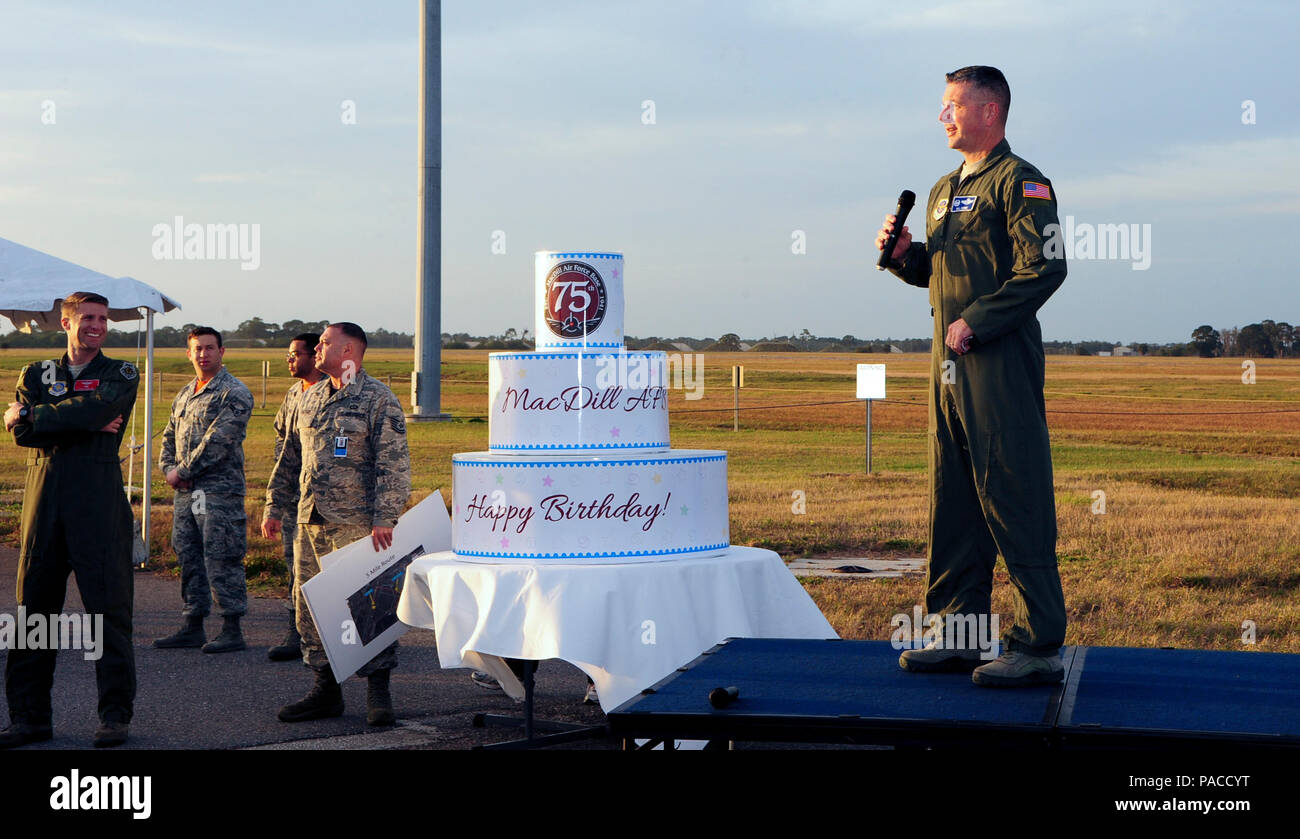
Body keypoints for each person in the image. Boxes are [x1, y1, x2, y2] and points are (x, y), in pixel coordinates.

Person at [875, 66, 1068, 687]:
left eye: (953, 105)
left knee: (1013, 491)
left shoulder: (1022, 182)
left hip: (997, 365)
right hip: (946, 368)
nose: (942, 116)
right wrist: (908, 259)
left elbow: (1045, 268)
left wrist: (978, 321)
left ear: (990, 110)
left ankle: (1037, 644)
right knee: (952, 499)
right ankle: (961, 636)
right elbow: (941, 271)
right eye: (942, 105)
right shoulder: (939, 190)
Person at [1, 291, 138, 749]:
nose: (97, 326)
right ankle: (29, 718)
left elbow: (97, 409)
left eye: (103, 319)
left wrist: (34, 413)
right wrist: (79, 421)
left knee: (108, 612)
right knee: (33, 615)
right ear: (66, 323)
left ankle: (114, 716)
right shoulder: (36, 372)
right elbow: (21, 436)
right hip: (45, 499)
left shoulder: (120, 372)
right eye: (87, 318)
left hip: (98, 501)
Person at [262, 322, 411, 726]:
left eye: (325, 343)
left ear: (348, 350)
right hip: (309, 523)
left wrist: (386, 516)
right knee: (310, 605)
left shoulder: (377, 399)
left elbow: (394, 463)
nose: (318, 348)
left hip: (358, 525)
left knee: (368, 606)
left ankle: (378, 690)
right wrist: (275, 506)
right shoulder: (309, 400)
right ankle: (325, 689)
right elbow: (291, 457)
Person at [155, 327, 254, 654]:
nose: (203, 354)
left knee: (222, 554)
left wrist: (182, 471)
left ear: (221, 352)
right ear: (189, 353)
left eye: (210, 348)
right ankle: (193, 623)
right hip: (186, 493)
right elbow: (168, 436)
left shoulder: (233, 392)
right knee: (188, 553)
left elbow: (219, 440)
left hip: (219, 492)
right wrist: (168, 469)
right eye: (197, 349)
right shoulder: (185, 393)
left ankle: (231, 627)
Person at [265, 332, 323, 662]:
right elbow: (282, 443)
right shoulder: (292, 394)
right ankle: (297, 630)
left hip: (325, 499)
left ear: (314, 356)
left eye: (295, 354)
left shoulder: (329, 392)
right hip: (294, 499)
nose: (290, 360)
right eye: (288, 355)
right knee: (295, 567)